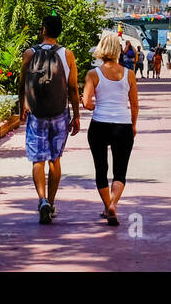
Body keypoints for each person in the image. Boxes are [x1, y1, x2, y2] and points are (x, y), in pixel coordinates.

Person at [20, 15, 80, 224]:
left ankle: (42, 200)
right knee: (55, 159)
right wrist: (76, 115)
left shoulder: (30, 53)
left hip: (36, 113)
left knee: (38, 159)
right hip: (59, 113)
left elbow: (22, 84)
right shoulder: (67, 55)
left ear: (43, 29)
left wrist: (23, 108)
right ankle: (52, 203)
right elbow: (73, 88)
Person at [82, 31, 138, 227]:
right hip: (123, 125)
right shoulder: (129, 74)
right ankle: (113, 204)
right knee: (120, 171)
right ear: (118, 51)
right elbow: (135, 104)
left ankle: (108, 206)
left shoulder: (93, 74)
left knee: (101, 168)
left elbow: (86, 102)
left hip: (99, 125)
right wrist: (134, 125)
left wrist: (96, 106)